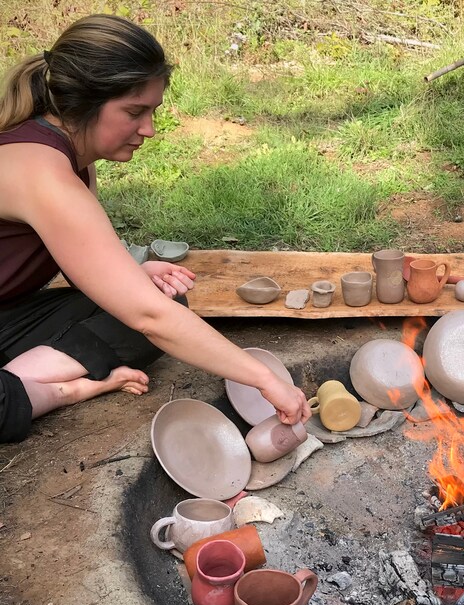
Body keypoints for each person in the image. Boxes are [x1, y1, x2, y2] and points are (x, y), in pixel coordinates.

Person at [0, 14, 311, 443]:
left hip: (8, 313)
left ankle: (15, 388)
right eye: (134, 112)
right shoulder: (41, 172)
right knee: (152, 316)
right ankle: (32, 391)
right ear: (85, 103)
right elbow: (147, 316)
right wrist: (264, 378)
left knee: (166, 304)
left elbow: (77, 261)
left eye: (152, 111)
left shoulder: (73, 156)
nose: (148, 129)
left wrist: (129, 277)